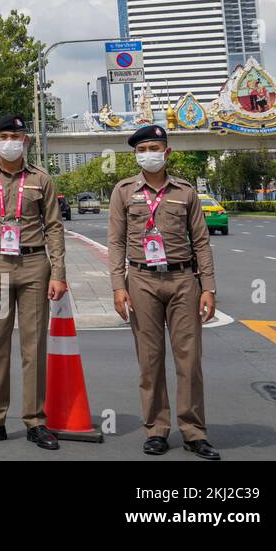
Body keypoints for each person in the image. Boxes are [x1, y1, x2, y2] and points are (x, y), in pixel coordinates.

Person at [108, 124, 220, 460]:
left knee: (189, 360)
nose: (148, 155)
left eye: (154, 148)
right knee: (150, 360)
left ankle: (193, 431)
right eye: (142, 150)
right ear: (135, 155)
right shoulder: (124, 191)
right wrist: (117, 285)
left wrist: (209, 288)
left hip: (183, 280)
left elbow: (201, 241)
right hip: (141, 281)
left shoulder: (185, 192)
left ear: (167, 152)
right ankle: (156, 429)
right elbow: (115, 242)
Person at [0, 115, 68, 450]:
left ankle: (35, 420)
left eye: (17, 136)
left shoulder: (41, 179)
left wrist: (58, 273)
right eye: (4, 136)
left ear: (26, 141)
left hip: (35, 265)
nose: (11, 141)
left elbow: (54, 227)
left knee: (33, 347)